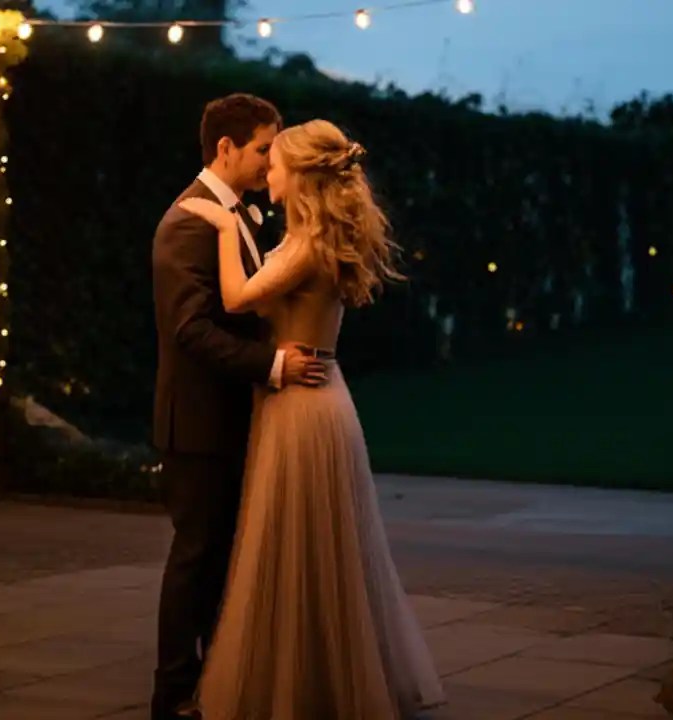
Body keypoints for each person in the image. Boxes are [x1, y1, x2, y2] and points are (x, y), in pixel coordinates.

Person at [179, 119, 445, 719]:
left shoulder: (305, 247)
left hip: (301, 406)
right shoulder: (313, 240)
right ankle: (318, 680)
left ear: (299, 175)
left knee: (296, 546)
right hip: (315, 396)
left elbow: (237, 298)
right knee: (317, 550)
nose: (267, 171)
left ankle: (299, 690)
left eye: (275, 163)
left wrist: (222, 226)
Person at [148, 93, 328, 720]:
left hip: (232, 418)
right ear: (224, 148)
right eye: (261, 150)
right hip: (199, 425)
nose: (269, 162)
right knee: (196, 558)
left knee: (221, 558)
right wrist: (273, 365)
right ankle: (172, 695)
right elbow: (191, 330)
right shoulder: (187, 223)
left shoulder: (240, 215)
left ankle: (215, 683)